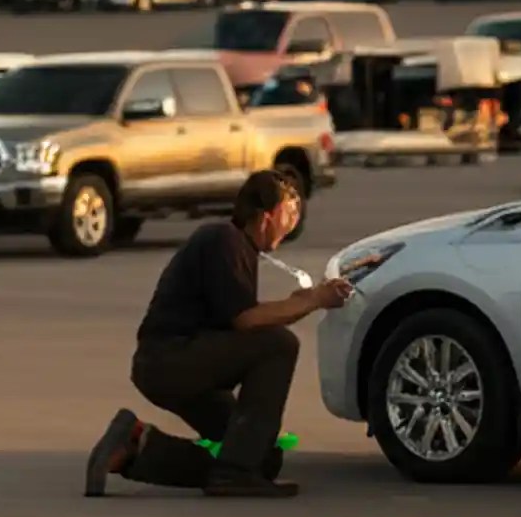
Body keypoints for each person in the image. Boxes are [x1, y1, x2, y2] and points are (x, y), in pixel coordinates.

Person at [84, 170, 353, 498]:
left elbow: (238, 316)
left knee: (262, 457)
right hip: (169, 359)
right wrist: (313, 300)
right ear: (267, 216)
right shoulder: (224, 240)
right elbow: (245, 320)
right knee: (279, 344)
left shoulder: (238, 246)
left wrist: (302, 302)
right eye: (291, 209)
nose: (295, 218)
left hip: (182, 362)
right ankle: (234, 473)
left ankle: (135, 447)